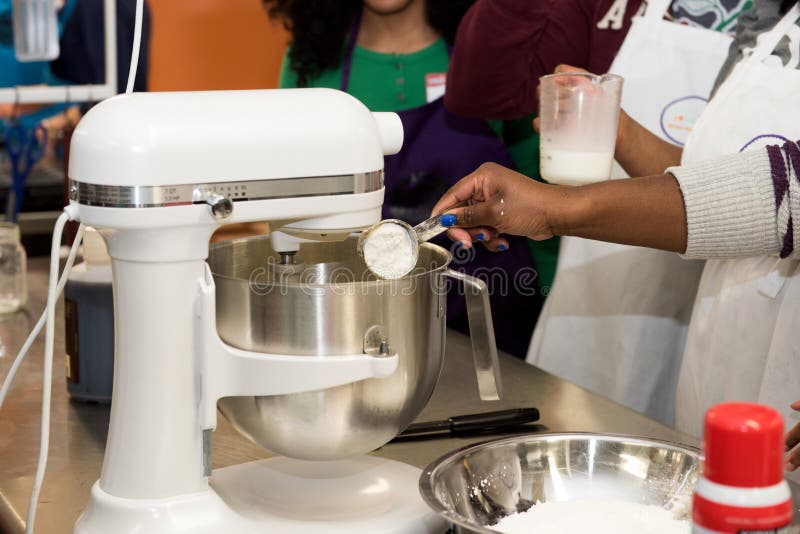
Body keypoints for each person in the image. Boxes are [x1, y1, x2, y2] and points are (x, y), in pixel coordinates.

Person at [433, 0, 800, 472]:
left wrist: (555, 209)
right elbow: (716, 181)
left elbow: (784, 192)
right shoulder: (772, 17)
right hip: (722, 339)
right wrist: (616, 128)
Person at [264, 0, 542, 357]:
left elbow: (538, 201)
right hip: (355, 327)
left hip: (493, 326)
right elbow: (290, 208)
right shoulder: (309, 65)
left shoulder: (494, 57)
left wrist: (553, 308)